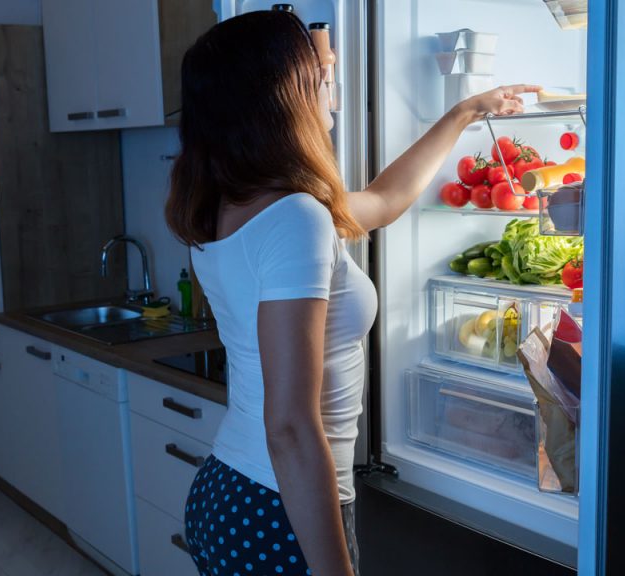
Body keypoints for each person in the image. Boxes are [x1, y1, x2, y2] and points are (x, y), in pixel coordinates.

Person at [165, 10, 539, 576]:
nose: (328, 81)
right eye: (319, 72)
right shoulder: (294, 218)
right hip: (280, 503)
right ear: (284, 96)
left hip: (230, 488)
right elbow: (289, 425)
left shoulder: (231, 208)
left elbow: (383, 200)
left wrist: (465, 112)